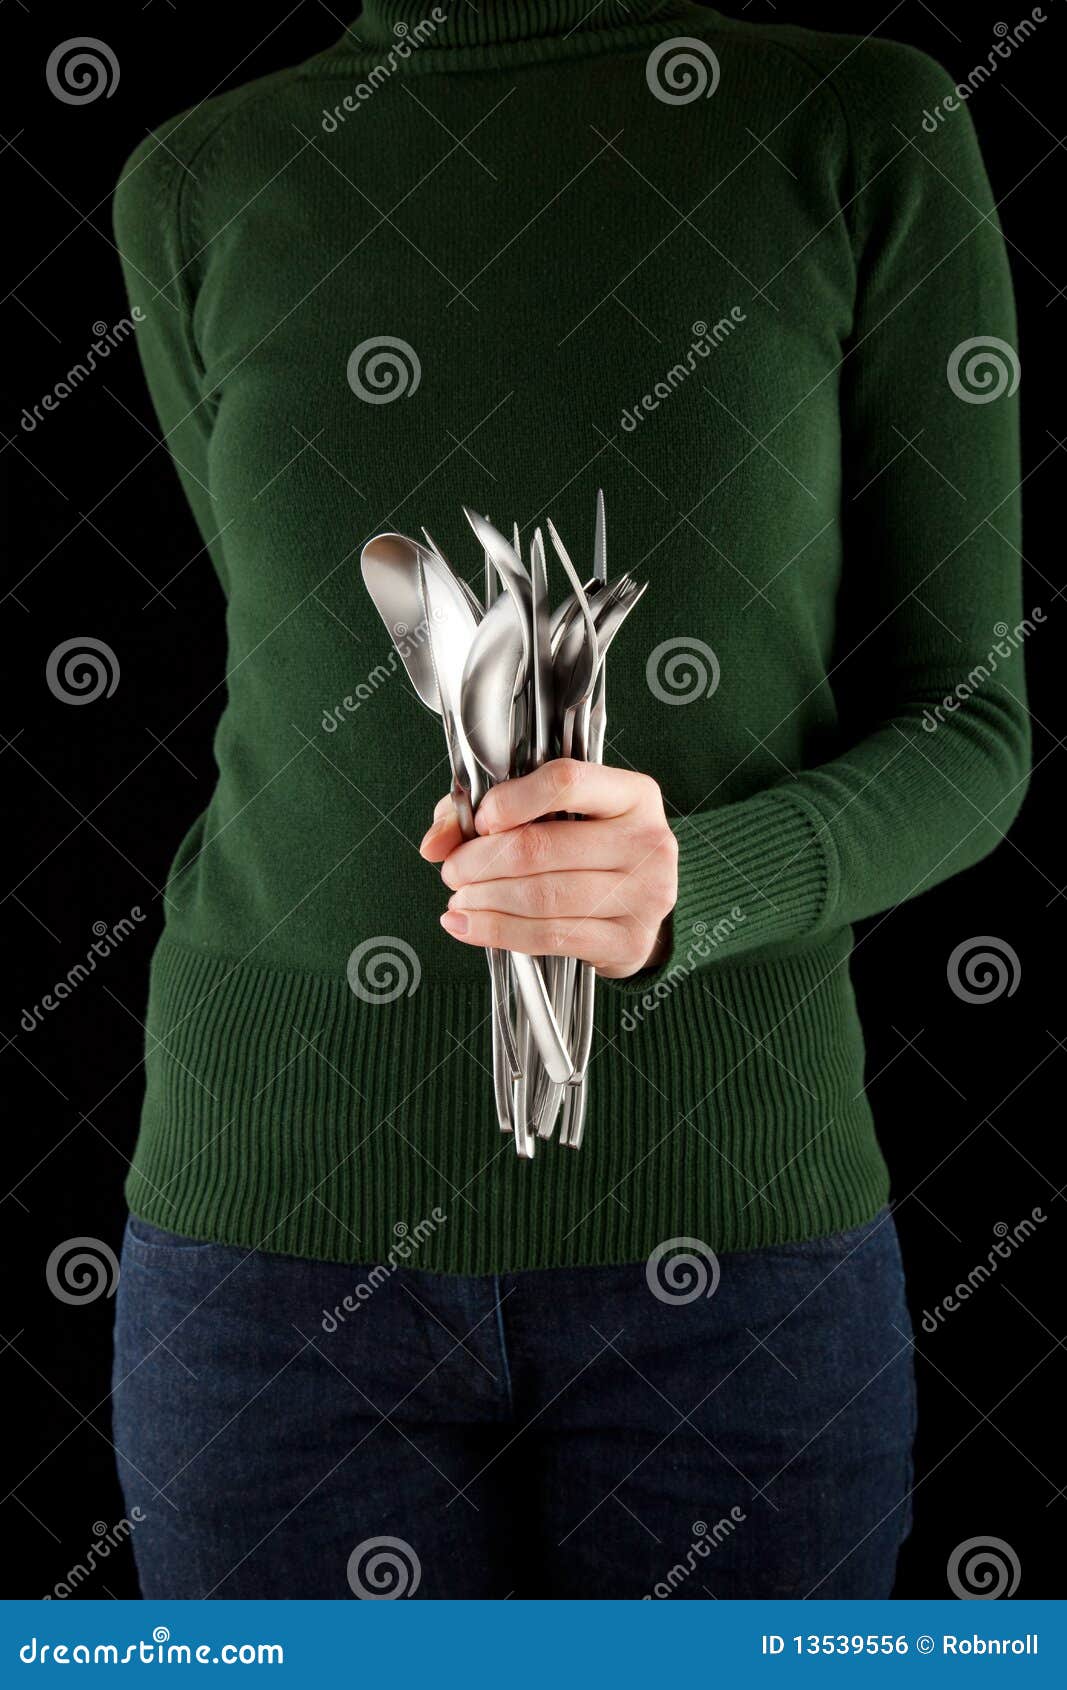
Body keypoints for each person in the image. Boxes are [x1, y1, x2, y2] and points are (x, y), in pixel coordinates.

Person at [110, 1, 1029, 1598]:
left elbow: (973, 729)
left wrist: (704, 875)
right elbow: (284, 663)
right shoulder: (198, 182)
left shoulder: (862, 127)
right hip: (263, 1247)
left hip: (741, 1254)